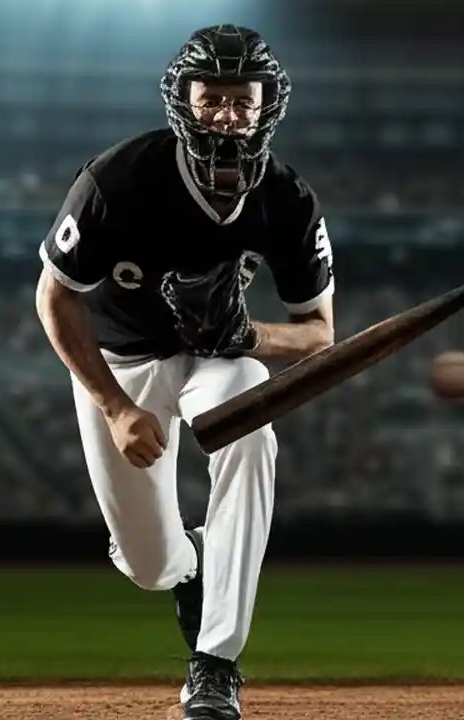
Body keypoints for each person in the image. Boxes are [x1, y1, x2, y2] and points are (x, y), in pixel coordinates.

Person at [34, 25, 335, 720]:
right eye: (212, 98)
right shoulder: (117, 179)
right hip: (123, 365)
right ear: (183, 101)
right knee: (149, 566)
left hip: (217, 361)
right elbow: (54, 297)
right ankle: (189, 563)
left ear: (267, 106)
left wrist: (251, 335)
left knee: (251, 428)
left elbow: (320, 333)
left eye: (242, 100)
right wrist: (115, 407)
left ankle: (216, 664)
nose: (227, 115)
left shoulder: (288, 198)